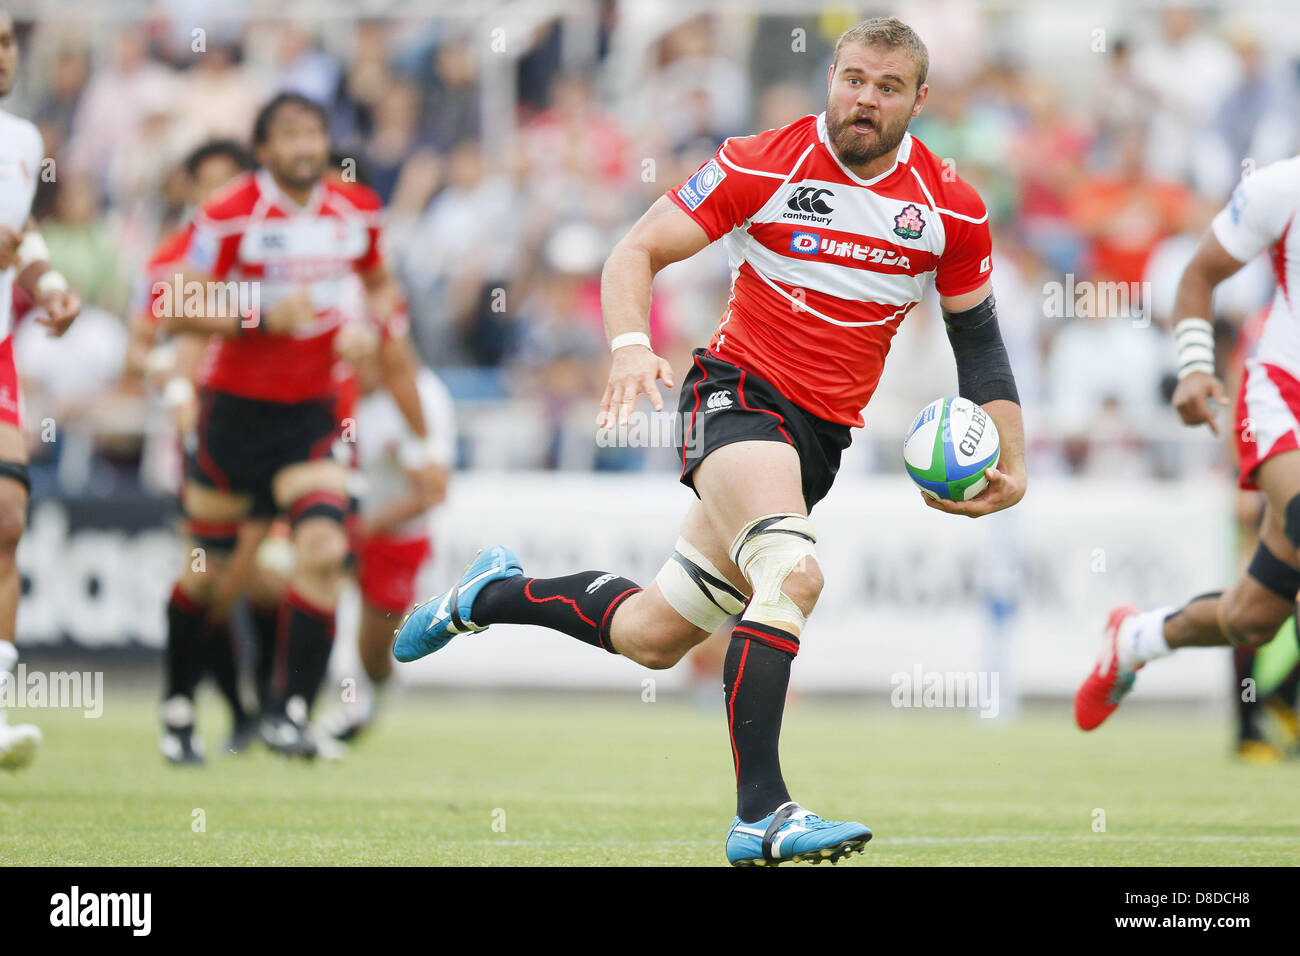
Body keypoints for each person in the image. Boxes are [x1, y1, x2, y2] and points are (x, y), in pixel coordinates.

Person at [393, 17, 1027, 865]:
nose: (863, 99)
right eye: (852, 79)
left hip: (817, 442)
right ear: (829, 78)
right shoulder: (762, 161)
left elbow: (978, 343)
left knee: (655, 636)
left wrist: (1012, 464)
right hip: (734, 396)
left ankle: (489, 595)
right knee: (792, 572)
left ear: (920, 98)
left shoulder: (952, 207)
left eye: (885, 87)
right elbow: (637, 249)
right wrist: (627, 346)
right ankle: (762, 813)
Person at [157, 92, 427, 762]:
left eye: (314, 133)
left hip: (312, 413)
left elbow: (383, 288)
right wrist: (257, 314)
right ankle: (177, 706)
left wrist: (374, 330)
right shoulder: (230, 213)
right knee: (208, 580)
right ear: (265, 148)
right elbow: (174, 300)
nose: (306, 147)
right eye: (290, 136)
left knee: (324, 552)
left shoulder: (356, 211)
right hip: (234, 416)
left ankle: (290, 712)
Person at [1075, 153, 1300, 734]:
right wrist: (1197, 367)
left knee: (1256, 615)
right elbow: (1199, 275)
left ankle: (1136, 638)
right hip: (1282, 394)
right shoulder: (1281, 187)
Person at [0, 7, 83, 772]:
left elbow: (18, 233)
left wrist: (48, 283)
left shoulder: (23, 140)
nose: (1, 58)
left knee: (8, 513)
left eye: (4, 44)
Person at [319, 347, 455, 743]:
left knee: (375, 647)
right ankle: (293, 707)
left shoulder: (423, 398)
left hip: (396, 536)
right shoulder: (339, 385)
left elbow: (433, 491)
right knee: (307, 603)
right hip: (338, 521)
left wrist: (366, 525)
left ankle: (369, 698)